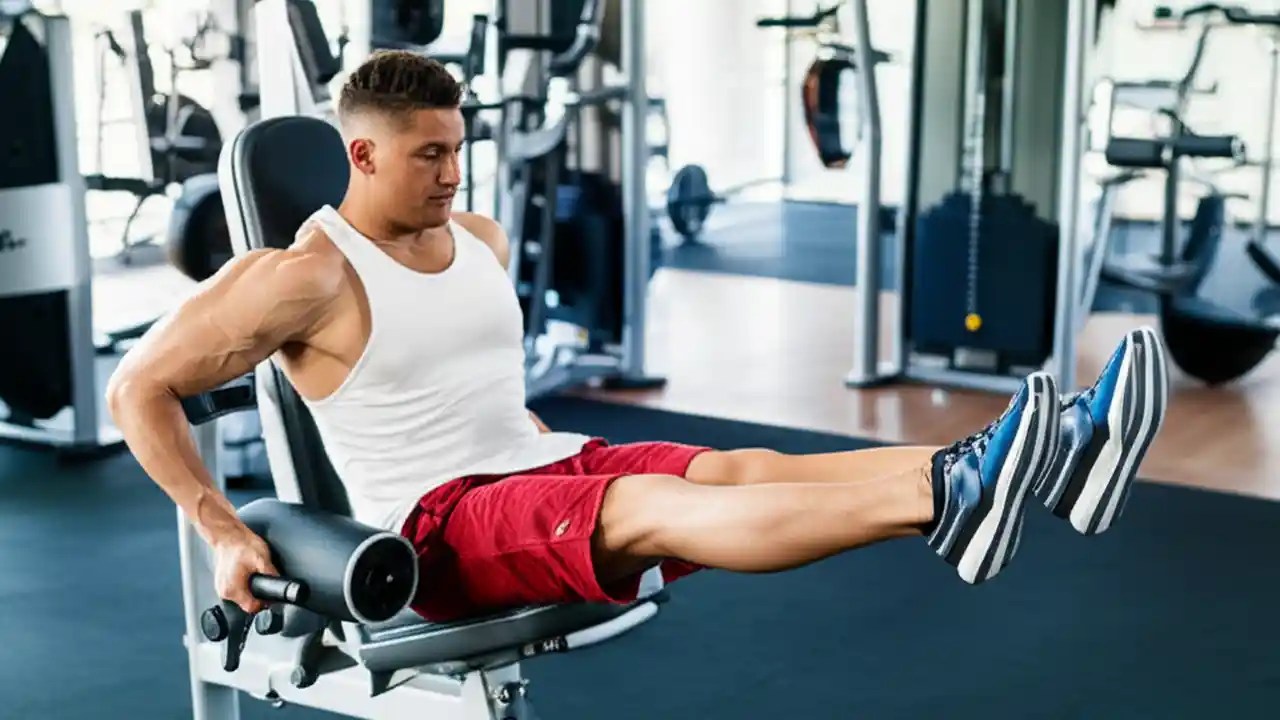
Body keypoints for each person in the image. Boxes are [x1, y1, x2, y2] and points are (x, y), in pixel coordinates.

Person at [106, 52, 1169, 623]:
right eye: (428, 155)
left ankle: (1054, 460)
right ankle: (948, 502)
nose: (453, 173)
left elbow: (463, 368)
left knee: (745, 466)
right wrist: (220, 526)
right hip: (436, 526)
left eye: (455, 150)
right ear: (362, 156)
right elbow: (135, 390)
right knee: (658, 508)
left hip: (538, 461)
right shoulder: (303, 275)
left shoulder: (471, 231)